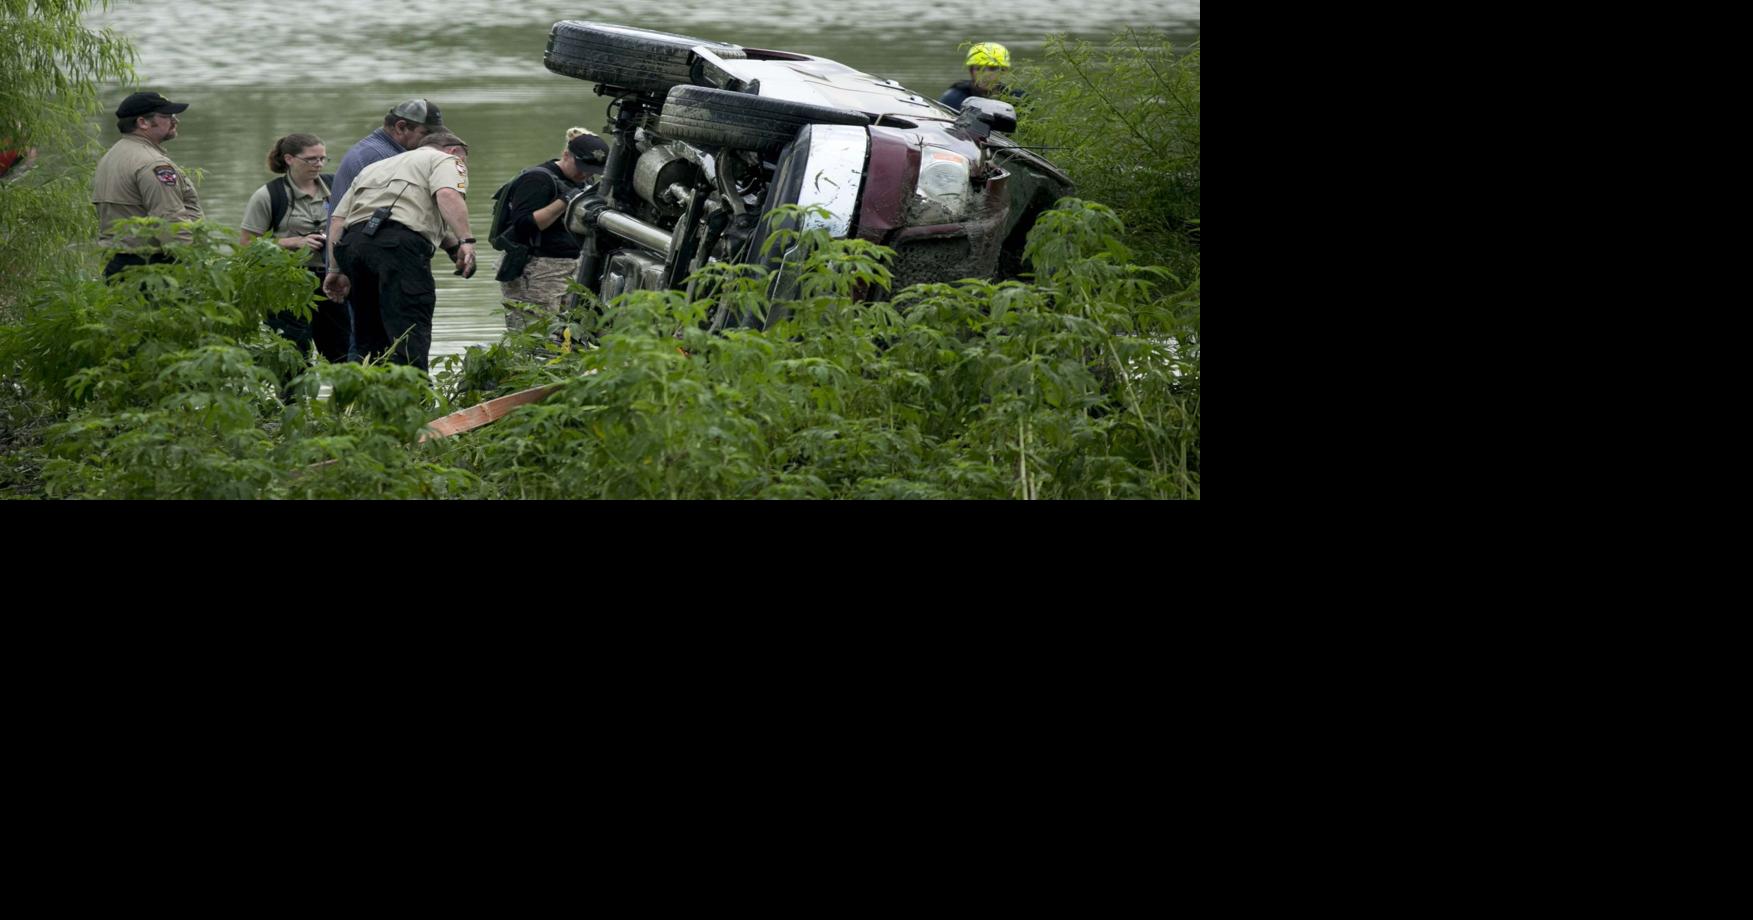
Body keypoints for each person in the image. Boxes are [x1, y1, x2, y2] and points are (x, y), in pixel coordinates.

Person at [323, 131, 477, 372]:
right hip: (399, 249)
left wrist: (334, 269)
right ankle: (415, 401)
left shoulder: (375, 168)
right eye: (464, 160)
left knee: (368, 335)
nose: (463, 166)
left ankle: (363, 402)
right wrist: (467, 240)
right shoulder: (446, 160)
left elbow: (337, 220)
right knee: (409, 329)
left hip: (353, 247)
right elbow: (447, 194)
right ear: (454, 151)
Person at [240, 133, 353, 364]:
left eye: (322, 158)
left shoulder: (337, 187)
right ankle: (290, 400)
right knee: (292, 356)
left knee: (343, 354)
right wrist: (293, 243)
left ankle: (345, 399)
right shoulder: (268, 195)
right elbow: (247, 246)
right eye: (311, 159)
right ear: (289, 159)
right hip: (288, 283)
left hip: (333, 279)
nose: (318, 164)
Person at [496, 130, 607, 330]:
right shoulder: (537, 179)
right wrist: (565, 201)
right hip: (536, 270)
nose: (585, 174)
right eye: (581, 167)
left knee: (565, 338)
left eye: (592, 170)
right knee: (533, 336)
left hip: (571, 268)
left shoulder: (584, 182)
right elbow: (523, 225)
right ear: (566, 155)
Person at [91, 91, 202, 278]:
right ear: (143, 122)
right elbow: (170, 220)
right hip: (153, 269)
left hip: (117, 265)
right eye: (167, 116)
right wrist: (196, 264)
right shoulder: (153, 164)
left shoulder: (111, 156)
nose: (175, 121)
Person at [938, 42, 1021, 112]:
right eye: (979, 69)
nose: (985, 75)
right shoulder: (954, 98)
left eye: (992, 69)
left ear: (1004, 71)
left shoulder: (1017, 100)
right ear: (971, 71)